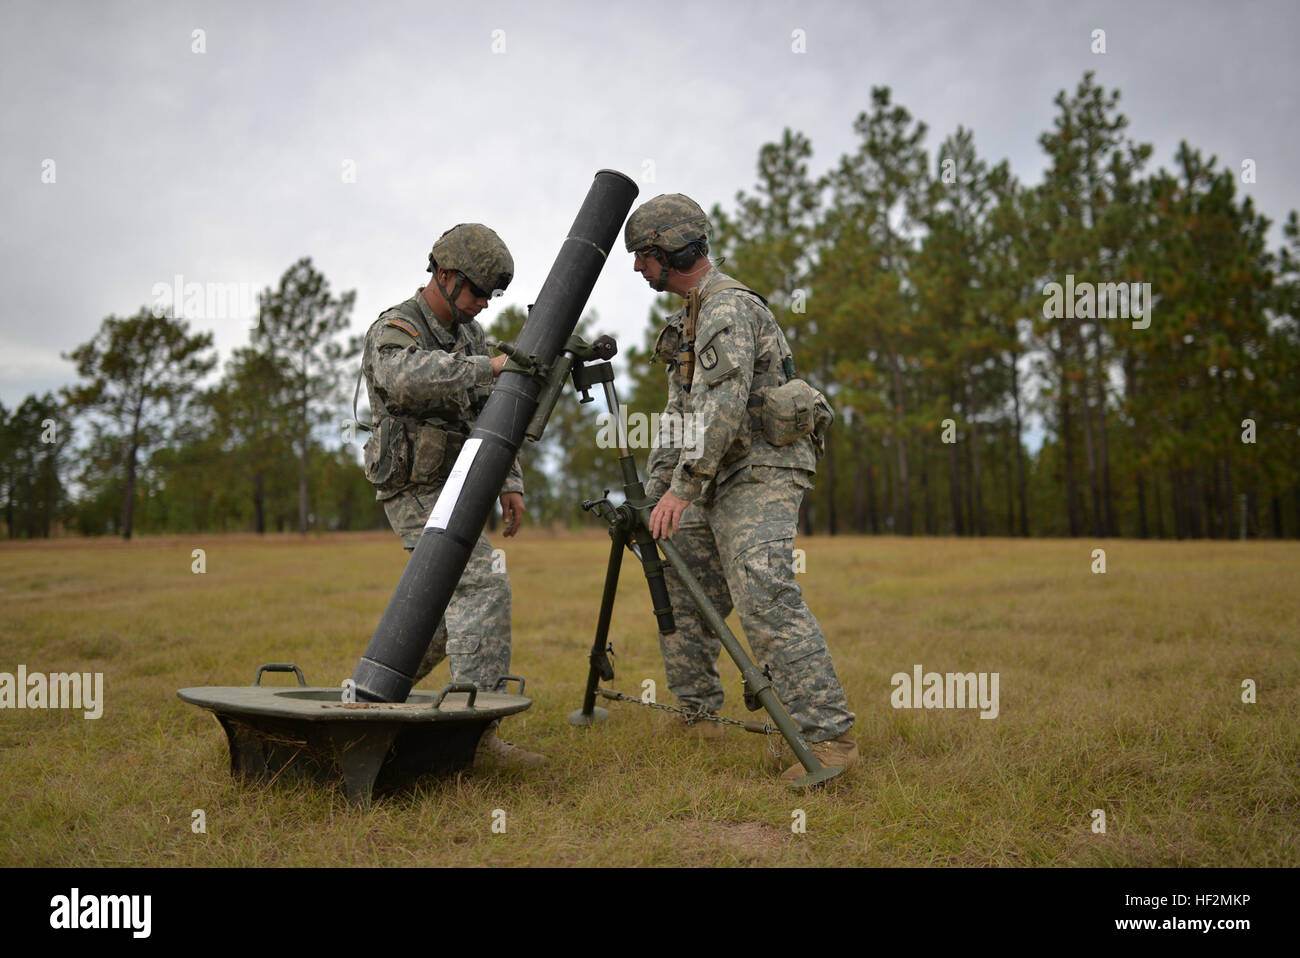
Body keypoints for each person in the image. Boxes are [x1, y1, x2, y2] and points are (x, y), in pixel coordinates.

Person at [628, 193, 857, 781]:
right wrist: (654, 497)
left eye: (642, 255)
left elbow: (724, 404)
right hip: (714, 472)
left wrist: (683, 488)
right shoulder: (689, 319)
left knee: (763, 589)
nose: (636, 268)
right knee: (681, 581)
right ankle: (698, 715)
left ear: (669, 252)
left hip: (760, 467)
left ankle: (828, 739)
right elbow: (679, 415)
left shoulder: (727, 308)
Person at [360, 222, 543, 768]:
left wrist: (509, 484)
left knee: (439, 612)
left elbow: (491, 413)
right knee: (482, 582)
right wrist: (486, 368)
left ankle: (365, 699)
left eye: (492, 295)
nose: (484, 305)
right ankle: (474, 741)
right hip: (413, 486)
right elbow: (406, 380)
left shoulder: (470, 337)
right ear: (444, 276)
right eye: (479, 291)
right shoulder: (396, 328)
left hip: (457, 484)